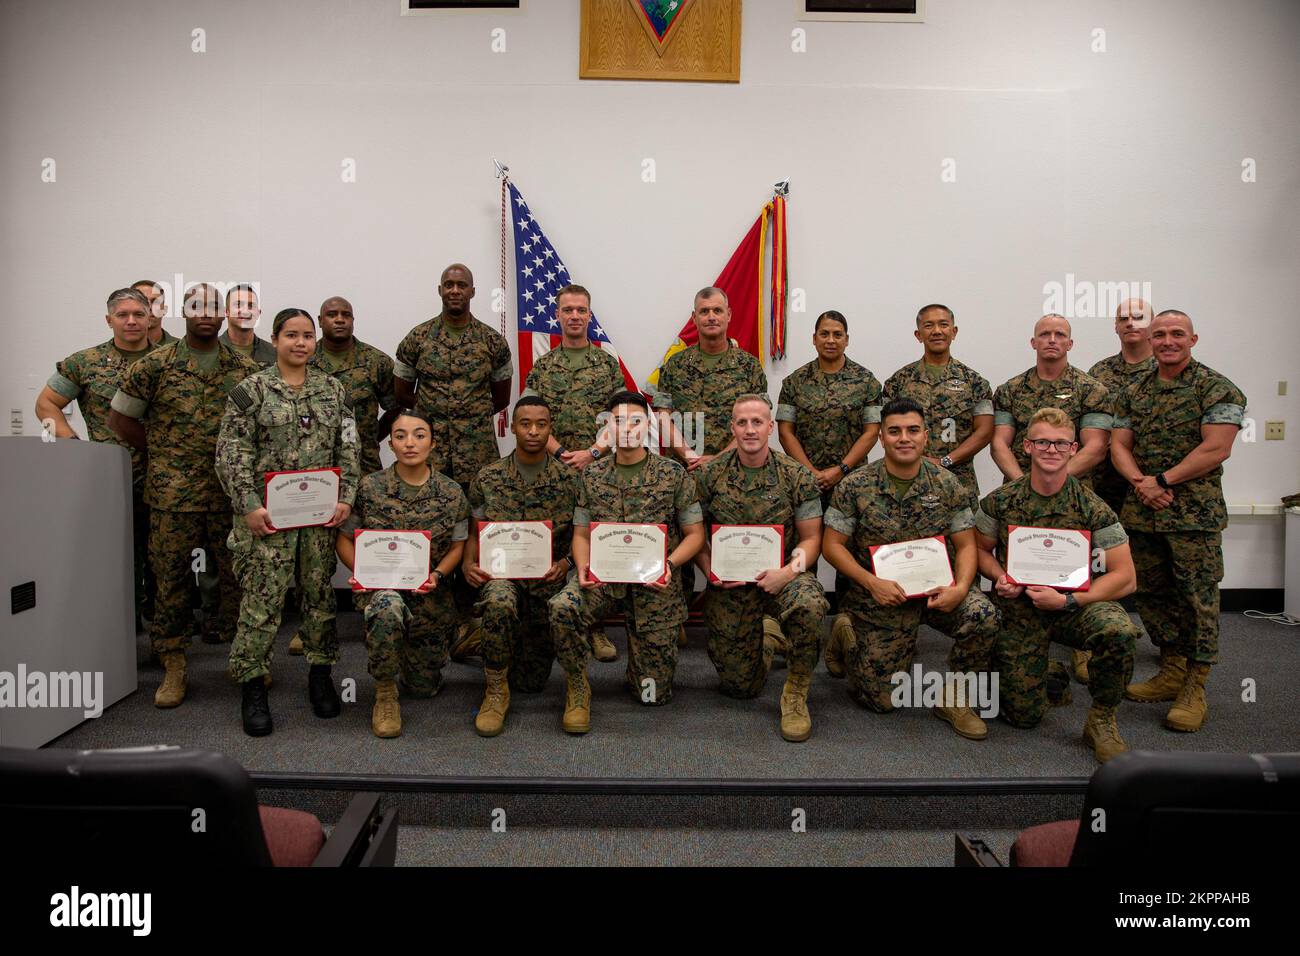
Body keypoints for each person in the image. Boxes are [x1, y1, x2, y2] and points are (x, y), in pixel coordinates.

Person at [109, 283, 260, 707]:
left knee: (236, 580)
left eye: (214, 306)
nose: (207, 314)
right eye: (198, 306)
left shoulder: (244, 368)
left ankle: (244, 659)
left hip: (229, 494)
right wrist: (161, 451)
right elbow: (120, 420)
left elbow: (255, 426)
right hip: (172, 495)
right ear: (183, 312)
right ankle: (174, 665)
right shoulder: (155, 366)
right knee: (170, 581)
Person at [215, 308, 359, 736]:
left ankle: (320, 677)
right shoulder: (251, 390)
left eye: (307, 336)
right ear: (275, 340)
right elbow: (231, 453)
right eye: (291, 335)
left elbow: (349, 449)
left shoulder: (334, 391)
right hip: (266, 521)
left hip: (318, 522)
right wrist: (248, 506)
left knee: (319, 599)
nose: (300, 343)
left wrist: (346, 499)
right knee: (262, 604)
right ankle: (253, 685)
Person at [822, 397, 998, 741]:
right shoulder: (856, 485)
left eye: (913, 430)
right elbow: (831, 546)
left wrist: (961, 588)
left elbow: (965, 545)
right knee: (882, 701)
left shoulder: (948, 484)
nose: (904, 438)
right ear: (882, 438)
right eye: (895, 431)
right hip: (881, 595)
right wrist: (871, 583)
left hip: (937, 591)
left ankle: (956, 697)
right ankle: (847, 635)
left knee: (983, 615)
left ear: (926, 436)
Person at [975, 407, 1139, 763]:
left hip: (1073, 605)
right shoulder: (1000, 501)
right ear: (1027, 447)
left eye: (1060, 444)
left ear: (1073, 449)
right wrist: (999, 576)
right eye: (1043, 442)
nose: (1051, 450)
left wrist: (1068, 602)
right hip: (1020, 607)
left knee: (1119, 630)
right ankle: (1047, 673)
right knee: (1022, 717)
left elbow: (1125, 577)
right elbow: (979, 552)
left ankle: (1102, 719)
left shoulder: (1093, 507)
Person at [1110, 310, 1246, 733]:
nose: (1168, 340)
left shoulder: (1218, 388)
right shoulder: (1134, 388)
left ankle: (1195, 684)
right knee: (1150, 593)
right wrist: (1141, 482)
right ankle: (1170, 668)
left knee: (1197, 599)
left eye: (1177, 334)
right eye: (1160, 334)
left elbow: (1216, 449)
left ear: (1193, 339)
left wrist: (1162, 480)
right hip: (1144, 512)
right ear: (1150, 340)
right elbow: (1119, 444)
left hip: (1193, 516)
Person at [548, 390, 705, 733]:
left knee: (651, 696)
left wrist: (670, 565)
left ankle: (643, 667)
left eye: (636, 420)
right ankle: (577, 686)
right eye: (618, 421)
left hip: (655, 581)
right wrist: (584, 567)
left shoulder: (673, 474)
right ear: (608, 428)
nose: (628, 428)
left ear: (648, 424)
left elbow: (696, 535)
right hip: (603, 577)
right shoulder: (591, 476)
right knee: (563, 607)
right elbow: (581, 534)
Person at [695, 395, 829, 741]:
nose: (750, 429)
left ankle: (796, 691)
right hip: (730, 584)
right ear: (732, 428)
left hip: (783, 577)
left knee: (809, 604)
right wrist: (710, 568)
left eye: (758, 422)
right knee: (740, 687)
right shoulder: (709, 476)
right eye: (742, 423)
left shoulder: (796, 475)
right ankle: (770, 639)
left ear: (771, 426)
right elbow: (693, 534)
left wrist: (789, 571)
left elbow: (812, 539)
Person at [336, 408, 470, 738]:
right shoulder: (369, 489)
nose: (410, 443)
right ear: (390, 444)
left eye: (419, 435)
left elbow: (459, 546)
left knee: (423, 688)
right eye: (400, 436)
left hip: (431, 598)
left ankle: (453, 640)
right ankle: (384, 695)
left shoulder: (451, 492)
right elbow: (343, 539)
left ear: (433, 443)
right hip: (383, 590)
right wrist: (363, 572)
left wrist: (437, 575)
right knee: (386, 608)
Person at [519, 283, 624, 663]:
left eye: (581, 309)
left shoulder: (606, 365)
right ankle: (555, 619)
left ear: (589, 315)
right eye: (568, 310)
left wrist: (593, 452)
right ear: (558, 316)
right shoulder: (544, 367)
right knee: (559, 537)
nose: (575, 316)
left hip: (599, 470)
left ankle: (593, 624)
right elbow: (530, 416)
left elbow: (620, 417)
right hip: (555, 468)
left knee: (595, 539)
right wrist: (562, 452)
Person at [463, 397, 581, 736]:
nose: (533, 431)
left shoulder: (570, 480)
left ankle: (479, 640)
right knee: (499, 601)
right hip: (502, 577)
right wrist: (470, 563)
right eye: (525, 424)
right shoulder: (489, 477)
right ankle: (495, 689)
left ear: (550, 428)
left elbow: (580, 534)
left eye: (541, 424)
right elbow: (475, 532)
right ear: (512, 427)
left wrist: (567, 562)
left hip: (548, 580)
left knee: (531, 683)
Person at [36, 287, 155, 622]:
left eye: (138, 314)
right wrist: (73, 447)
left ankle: (166, 635)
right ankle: (120, 627)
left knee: (164, 561)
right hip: (110, 479)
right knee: (115, 559)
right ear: (109, 320)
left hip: (165, 477)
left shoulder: (171, 358)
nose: (131, 321)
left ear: (150, 318)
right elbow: (45, 406)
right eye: (122, 315)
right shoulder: (85, 362)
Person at [777, 309, 882, 675]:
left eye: (838, 333)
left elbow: (871, 432)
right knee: (802, 547)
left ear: (847, 339)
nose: (831, 339)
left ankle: (846, 630)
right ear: (814, 338)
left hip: (851, 484)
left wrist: (841, 471)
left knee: (850, 552)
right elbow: (786, 431)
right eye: (825, 333)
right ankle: (793, 631)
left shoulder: (866, 381)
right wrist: (809, 472)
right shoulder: (795, 381)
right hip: (804, 482)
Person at [393, 263, 513, 489]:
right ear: (440, 290)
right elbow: (402, 395)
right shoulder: (417, 338)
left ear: (472, 292)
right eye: (449, 285)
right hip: (429, 450)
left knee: (477, 514)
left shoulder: (493, 341)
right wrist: (432, 415)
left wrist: (467, 417)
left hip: (478, 451)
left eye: (462, 285)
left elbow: (501, 399)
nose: (455, 291)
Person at [881, 303, 994, 496]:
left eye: (943, 324)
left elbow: (985, 430)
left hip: (958, 483)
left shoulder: (975, 383)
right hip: (907, 484)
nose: (936, 331)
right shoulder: (898, 382)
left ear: (954, 331)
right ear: (918, 335)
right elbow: (884, 428)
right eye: (929, 325)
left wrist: (946, 461)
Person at [991, 314, 1112, 484]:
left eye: (1060, 335)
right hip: (1019, 491)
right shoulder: (1010, 390)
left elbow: (1096, 447)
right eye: (1044, 334)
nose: (1052, 340)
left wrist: (1053, 481)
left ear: (1070, 344)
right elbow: (999, 445)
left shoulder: (1091, 390)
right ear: (1033, 343)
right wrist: (1024, 485)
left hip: (1071, 491)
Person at [1087, 298, 1156, 514]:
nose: (1130, 323)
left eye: (1138, 318)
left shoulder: (1166, 370)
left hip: (1152, 484)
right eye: (1123, 319)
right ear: (1116, 327)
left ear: (1153, 325)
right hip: (1104, 484)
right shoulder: (1099, 373)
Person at [219, 284, 276, 366]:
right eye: (238, 305)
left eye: (251, 306)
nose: (245, 311)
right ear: (226, 312)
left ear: (258, 313)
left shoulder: (274, 353)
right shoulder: (210, 351)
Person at [131, 280, 178, 346]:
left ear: (164, 309)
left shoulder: (182, 351)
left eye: (155, 302)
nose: (149, 307)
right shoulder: (113, 350)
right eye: (141, 301)